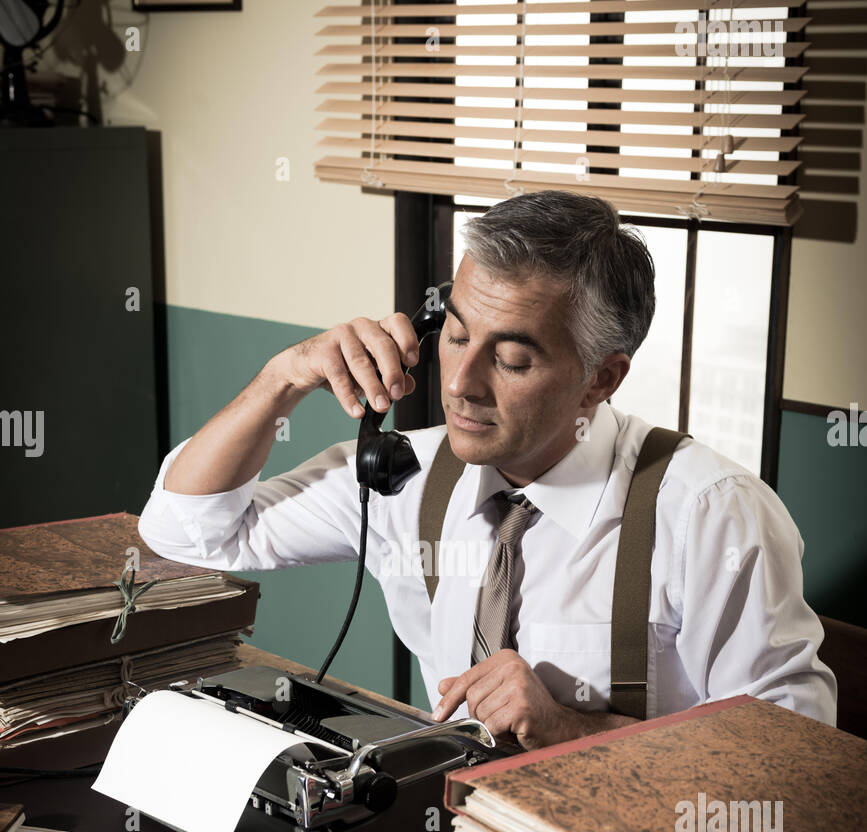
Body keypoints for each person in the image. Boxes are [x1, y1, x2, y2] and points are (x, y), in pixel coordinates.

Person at [138, 191, 836, 751]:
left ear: (601, 378)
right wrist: (281, 378)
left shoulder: (711, 514)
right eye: (459, 335)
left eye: (511, 359)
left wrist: (568, 731)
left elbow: (787, 767)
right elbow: (186, 534)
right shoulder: (406, 474)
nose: (461, 385)